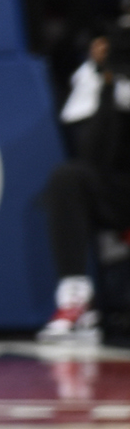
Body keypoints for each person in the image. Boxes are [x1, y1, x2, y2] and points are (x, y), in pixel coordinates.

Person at [39, 26, 130, 341]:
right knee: (69, 177)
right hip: (119, 189)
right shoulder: (95, 77)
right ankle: (76, 300)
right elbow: (93, 155)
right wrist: (108, 83)